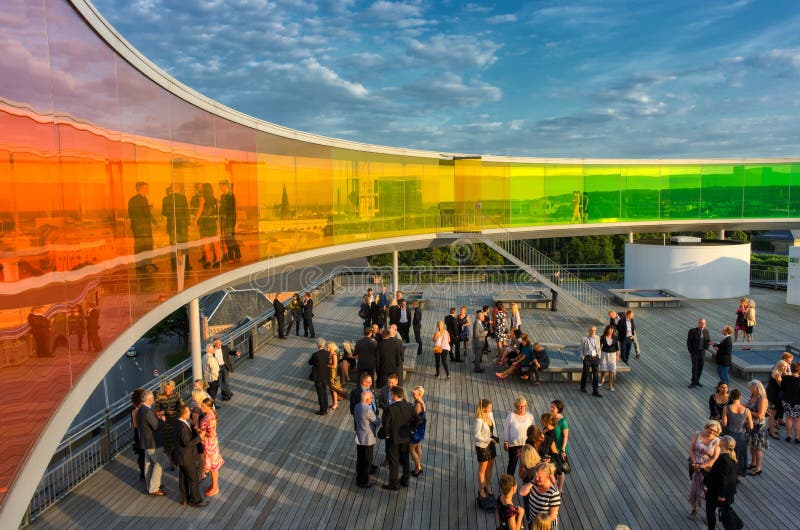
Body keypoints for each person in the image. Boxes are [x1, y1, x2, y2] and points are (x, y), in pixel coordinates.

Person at [381, 386, 420, 491]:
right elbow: (417, 419)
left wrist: (387, 434)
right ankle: (405, 479)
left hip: (393, 439)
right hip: (405, 437)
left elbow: (386, 424)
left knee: (394, 461)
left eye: (391, 394)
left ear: (394, 395)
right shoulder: (409, 406)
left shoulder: (390, 409)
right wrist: (411, 430)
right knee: (405, 458)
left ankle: (394, 483)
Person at [173, 405, 208, 507]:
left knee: (183, 478)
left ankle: (185, 499)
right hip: (187, 457)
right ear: (183, 414)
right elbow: (187, 443)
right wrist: (200, 437)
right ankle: (196, 500)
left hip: (180, 456)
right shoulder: (183, 427)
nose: (190, 412)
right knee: (193, 479)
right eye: (188, 411)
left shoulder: (177, 423)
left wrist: (195, 433)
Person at [688, 420, 722, 517]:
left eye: (714, 431)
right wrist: (695, 463)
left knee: (707, 490)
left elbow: (714, 458)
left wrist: (701, 466)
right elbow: (691, 449)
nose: (712, 432)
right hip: (694, 464)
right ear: (706, 427)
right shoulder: (697, 434)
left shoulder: (717, 441)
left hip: (707, 468)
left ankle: (709, 513)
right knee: (694, 486)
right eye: (710, 429)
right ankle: (695, 507)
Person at [704, 436, 738, 530]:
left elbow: (724, 478)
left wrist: (721, 495)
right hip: (724, 492)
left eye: (721, 440)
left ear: (723, 443)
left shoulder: (724, 459)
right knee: (724, 511)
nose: (719, 440)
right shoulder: (731, 458)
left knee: (711, 512)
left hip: (717, 492)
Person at [137, 390, 165, 496]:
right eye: (152, 397)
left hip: (145, 442)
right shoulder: (148, 411)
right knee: (158, 464)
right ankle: (154, 488)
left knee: (148, 465)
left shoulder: (141, 409)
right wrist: (162, 419)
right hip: (153, 442)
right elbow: (156, 426)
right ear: (149, 400)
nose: (154, 399)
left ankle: (150, 485)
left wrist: (155, 417)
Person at [721, 388, 752, 478]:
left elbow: (724, 423)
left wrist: (720, 421)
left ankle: (730, 473)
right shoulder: (747, 410)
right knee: (741, 454)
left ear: (730, 397)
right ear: (740, 397)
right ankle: (738, 474)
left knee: (730, 453)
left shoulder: (726, 408)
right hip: (742, 435)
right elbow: (751, 426)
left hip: (731, 434)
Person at [519, 462, 561, 529]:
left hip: (545, 526)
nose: (537, 478)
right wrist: (532, 482)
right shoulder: (534, 484)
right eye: (536, 476)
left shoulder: (553, 493)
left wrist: (539, 525)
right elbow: (522, 493)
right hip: (533, 522)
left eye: (539, 477)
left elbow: (552, 516)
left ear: (547, 476)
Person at [128, 181, 158, 271]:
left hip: (144, 227)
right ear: (140, 188)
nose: (147, 190)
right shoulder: (134, 200)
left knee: (146, 246)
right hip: (140, 228)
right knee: (141, 246)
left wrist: (154, 221)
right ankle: (141, 265)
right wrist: (148, 208)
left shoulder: (143, 199)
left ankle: (146, 264)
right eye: (146, 188)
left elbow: (146, 213)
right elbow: (134, 214)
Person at [156, 379, 184, 470]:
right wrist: (163, 413)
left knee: (176, 442)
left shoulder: (176, 395)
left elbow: (182, 407)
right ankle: (171, 462)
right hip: (166, 423)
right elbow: (156, 411)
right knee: (167, 444)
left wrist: (176, 413)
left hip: (175, 421)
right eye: (165, 388)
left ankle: (177, 459)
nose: (166, 390)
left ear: (172, 388)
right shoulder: (160, 396)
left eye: (168, 388)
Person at [198, 398, 224, 497]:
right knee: (213, 466)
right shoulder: (208, 415)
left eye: (203, 406)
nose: (201, 407)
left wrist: (201, 433)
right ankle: (213, 485)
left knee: (214, 467)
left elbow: (211, 434)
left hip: (210, 445)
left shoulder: (211, 418)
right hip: (208, 444)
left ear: (208, 407)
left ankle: (215, 487)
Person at [161, 184, 190, 271]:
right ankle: (186, 265)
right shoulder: (183, 198)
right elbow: (186, 211)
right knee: (184, 245)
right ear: (178, 189)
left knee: (173, 246)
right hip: (182, 225)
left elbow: (163, 213)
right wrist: (187, 223)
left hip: (172, 224)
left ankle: (174, 265)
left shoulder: (166, 199)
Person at [473, 398, 498, 499]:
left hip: (491, 444)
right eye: (489, 407)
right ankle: (481, 489)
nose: (491, 409)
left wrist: (495, 437)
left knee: (490, 466)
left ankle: (487, 485)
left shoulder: (490, 415)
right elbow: (476, 436)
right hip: (482, 446)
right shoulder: (478, 420)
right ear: (483, 408)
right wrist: (488, 439)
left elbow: (493, 428)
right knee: (482, 469)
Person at [503, 397, 534, 476]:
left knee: (527, 464)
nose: (522, 408)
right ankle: (510, 482)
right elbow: (506, 429)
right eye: (519, 406)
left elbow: (533, 429)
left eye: (523, 406)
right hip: (514, 444)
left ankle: (526, 482)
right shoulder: (511, 415)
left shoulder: (530, 416)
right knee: (512, 464)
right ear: (516, 406)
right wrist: (506, 441)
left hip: (527, 444)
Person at [354, 390, 379, 488]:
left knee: (360, 459)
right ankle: (364, 481)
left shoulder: (357, 406)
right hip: (368, 439)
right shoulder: (367, 409)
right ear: (367, 399)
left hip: (359, 437)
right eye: (371, 398)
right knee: (367, 461)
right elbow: (376, 421)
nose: (372, 400)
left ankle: (359, 478)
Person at [194, 182, 221, 268]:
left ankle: (208, 260)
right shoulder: (214, 199)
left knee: (206, 243)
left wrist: (196, 219)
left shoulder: (203, 198)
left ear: (205, 189)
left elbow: (200, 210)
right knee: (215, 243)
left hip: (205, 222)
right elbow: (217, 210)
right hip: (212, 222)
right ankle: (218, 260)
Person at [746, 380, 769, 476]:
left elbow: (760, 415)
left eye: (751, 387)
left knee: (758, 447)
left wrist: (747, 411)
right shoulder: (753, 396)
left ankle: (758, 467)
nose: (749, 389)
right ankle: (753, 463)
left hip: (759, 426)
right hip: (751, 425)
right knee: (752, 445)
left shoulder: (762, 399)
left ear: (756, 388)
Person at [767, 356, 792, 438]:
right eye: (783, 366)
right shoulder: (777, 374)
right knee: (773, 413)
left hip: (774, 394)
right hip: (773, 395)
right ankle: (771, 430)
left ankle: (772, 428)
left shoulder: (778, 373)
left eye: (786, 366)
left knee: (773, 412)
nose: (785, 368)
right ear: (779, 366)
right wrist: (785, 375)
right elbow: (781, 385)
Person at [218, 179, 240, 263]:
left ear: (225, 186)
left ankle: (233, 256)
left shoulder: (230, 195)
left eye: (222, 186)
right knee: (229, 239)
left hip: (229, 220)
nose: (221, 188)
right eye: (220, 186)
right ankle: (236, 255)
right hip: (225, 219)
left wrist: (235, 222)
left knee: (230, 238)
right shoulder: (223, 195)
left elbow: (231, 209)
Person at [550, 400, 570, 492]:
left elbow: (565, 436)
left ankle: (560, 488)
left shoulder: (563, 421)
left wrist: (563, 450)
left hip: (559, 449)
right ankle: (553, 487)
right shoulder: (551, 418)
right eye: (551, 407)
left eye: (553, 407)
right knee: (551, 469)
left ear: (558, 409)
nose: (551, 409)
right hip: (551, 448)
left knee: (560, 470)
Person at [213, 337, 240, 401]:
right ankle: (228, 393)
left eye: (220, 342)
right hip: (217, 367)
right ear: (215, 344)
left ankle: (225, 396)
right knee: (220, 383)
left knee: (226, 381)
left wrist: (236, 353)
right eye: (218, 343)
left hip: (224, 366)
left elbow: (230, 352)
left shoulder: (224, 347)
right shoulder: (212, 350)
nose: (220, 344)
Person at [687, 318, 711, 388]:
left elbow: (708, 340)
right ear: (699, 323)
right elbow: (689, 342)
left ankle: (697, 380)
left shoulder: (706, 331)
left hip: (702, 352)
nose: (703, 325)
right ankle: (693, 382)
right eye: (701, 323)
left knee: (700, 367)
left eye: (704, 323)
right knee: (695, 367)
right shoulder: (693, 331)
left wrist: (706, 347)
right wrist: (691, 351)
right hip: (695, 352)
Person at [309, 338, 330, 415]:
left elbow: (310, 362)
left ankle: (322, 410)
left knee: (320, 393)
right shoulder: (327, 353)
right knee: (325, 392)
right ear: (324, 345)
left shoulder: (315, 355)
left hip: (318, 376)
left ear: (318, 345)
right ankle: (326, 408)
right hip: (325, 375)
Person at [409, 386, 427, 477]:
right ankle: (418, 465)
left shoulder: (418, 405)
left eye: (414, 393)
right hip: (421, 428)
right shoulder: (422, 402)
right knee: (418, 446)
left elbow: (414, 418)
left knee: (411, 449)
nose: (412, 395)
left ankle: (418, 468)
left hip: (416, 430)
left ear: (419, 394)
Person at [781, 361, 800, 443]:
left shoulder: (785, 378)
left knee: (788, 418)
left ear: (791, 369)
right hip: (798, 402)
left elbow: (782, 388)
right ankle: (797, 437)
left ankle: (788, 436)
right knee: (797, 420)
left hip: (787, 400)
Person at [580, 325, 602, 397]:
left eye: (594, 330)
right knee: (585, 373)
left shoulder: (598, 338)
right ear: (589, 331)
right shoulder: (584, 338)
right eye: (591, 330)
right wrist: (583, 357)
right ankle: (582, 387)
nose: (593, 332)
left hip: (595, 358)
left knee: (595, 374)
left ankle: (595, 391)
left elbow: (599, 348)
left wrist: (599, 356)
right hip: (587, 358)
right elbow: (581, 349)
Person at [130, 388, 146, 482]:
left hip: (140, 433)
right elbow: (136, 425)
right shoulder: (135, 410)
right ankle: (143, 474)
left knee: (142, 454)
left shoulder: (138, 408)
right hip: (140, 434)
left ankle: (143, 473)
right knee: (142, 454)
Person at [327, 341, 348, 410]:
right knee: (333, 388)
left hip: (333, 374)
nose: (326, 347)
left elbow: (335, 366)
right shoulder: (329, 354)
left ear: (331, 347)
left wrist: (326, 365)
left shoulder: (334, 355)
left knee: (334, 388)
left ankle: (336, 402)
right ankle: (335, 402)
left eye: (327, 347)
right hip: (330, 374)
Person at [599, 324, 620, 392]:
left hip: (612, 354)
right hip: (604, 353)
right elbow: (599, 346)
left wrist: (617, 355)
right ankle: (602, 379)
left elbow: (617, 346)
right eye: (609, 329)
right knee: (603, 369)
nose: (611, 331)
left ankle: (610, 385)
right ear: (607, 330)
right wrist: (598, 354)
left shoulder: (615, 337)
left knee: (612, 369)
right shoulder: (602, 337)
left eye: (612, 330)